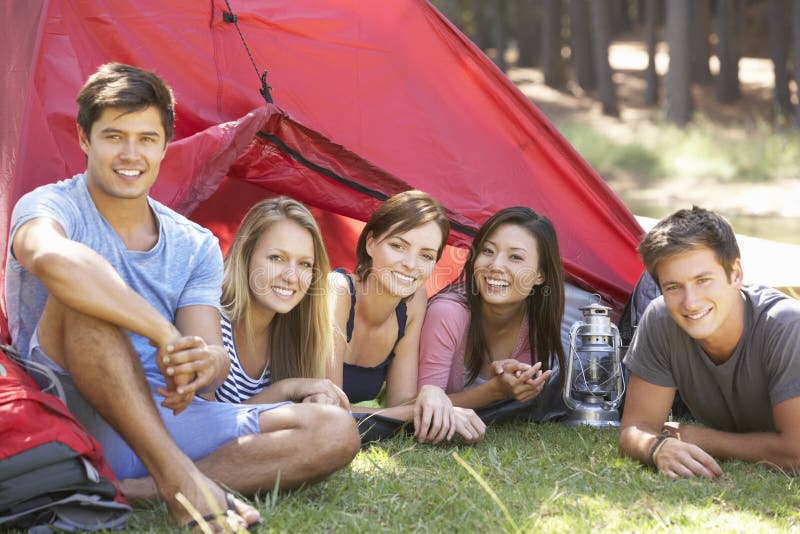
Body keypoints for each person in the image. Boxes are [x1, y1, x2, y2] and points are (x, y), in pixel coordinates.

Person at [5, 62, 359, 530]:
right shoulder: (49, 205)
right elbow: (49, 258)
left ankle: (146, 486)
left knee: (334, 430)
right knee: (80, 300)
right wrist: (159, 331)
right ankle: (182, 485)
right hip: (76, 409)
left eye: (146, 139)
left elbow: (211, 356)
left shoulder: (194, 243)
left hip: (172, 414)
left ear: (164, 146)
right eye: (114, 136)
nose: (130, 153)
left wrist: (201, 363)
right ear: (85, 139)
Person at [619, 206, 800, 478]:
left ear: (736, 273)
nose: (690, 302)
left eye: (703, 280)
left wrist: (704, 438)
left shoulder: (786, 326)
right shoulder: (660, 320)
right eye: (673, 287)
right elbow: (635, 427)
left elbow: (796, 453)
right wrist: (657, 447)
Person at [329, 190, 485, 443]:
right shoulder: (338, 291)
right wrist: (416, 412)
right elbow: (327, 414)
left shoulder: (413, 300)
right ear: (370, 243)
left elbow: (399, 402)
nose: (411, 265)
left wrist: (433, 397)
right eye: (398, 246)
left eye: (426, 255)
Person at [418, 207, 566, 420]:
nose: (496, 266)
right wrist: (494, 390)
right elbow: (425, 405)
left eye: (515, 257)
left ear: (540, 275)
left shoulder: (536, 323)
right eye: (488, 251)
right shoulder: (447, 312)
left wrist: (515, 379)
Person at [211, 196, 348, 407]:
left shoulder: (298, 334)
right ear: (245, 255)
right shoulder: (208, 316)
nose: (291, 277)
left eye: (304, 264)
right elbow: (201, 422)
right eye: (276, 258)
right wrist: (286, 390)